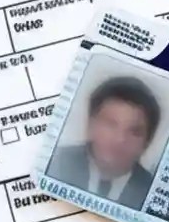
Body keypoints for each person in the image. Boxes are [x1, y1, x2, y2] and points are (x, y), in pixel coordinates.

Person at [48, 76, 160, 210]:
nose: (120, 139)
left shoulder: (153, 194)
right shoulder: (56, 161)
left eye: (134, 132)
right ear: (91, 125)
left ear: (147, 142)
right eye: (110, 124)